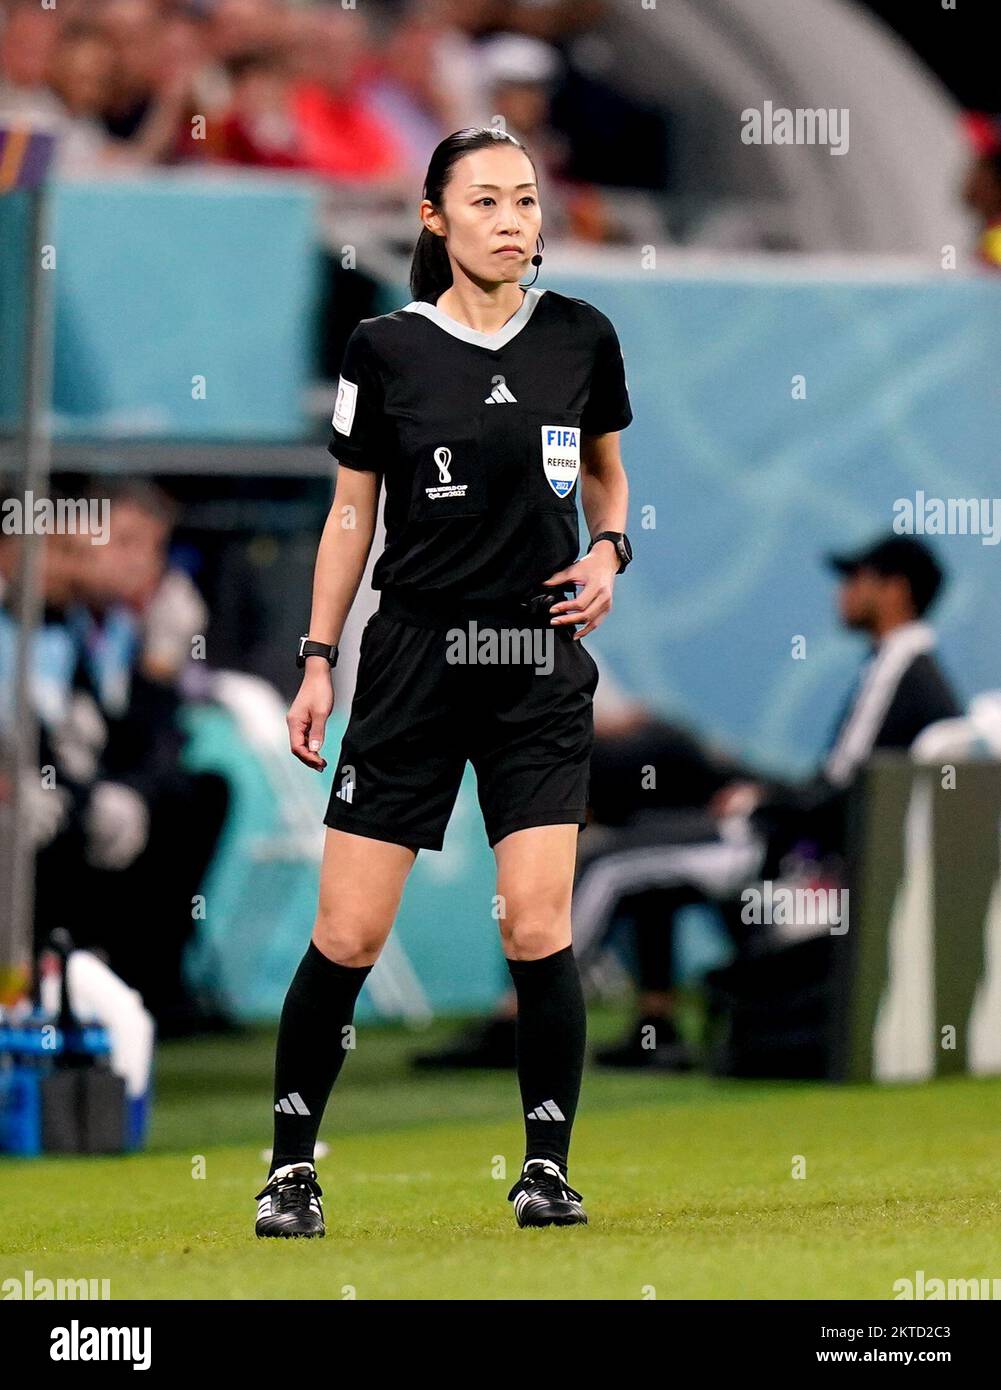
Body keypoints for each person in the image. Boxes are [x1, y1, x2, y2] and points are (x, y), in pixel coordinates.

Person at [254, 126, 633, 1238]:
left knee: (535, 922)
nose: (513, 220)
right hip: (416, 657)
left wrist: (609, 553)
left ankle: (546, 1166)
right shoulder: (384, 348)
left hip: (536, 659)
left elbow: (608, 481)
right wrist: (319, 658)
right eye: (486, 202)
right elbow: (347, 515)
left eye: (525, 200)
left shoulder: (580, 338)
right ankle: (289, 1168)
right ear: (434, 218)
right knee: (349, 934)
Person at [571, 533, 962, 1068]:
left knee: (608, 861)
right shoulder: (910, 668)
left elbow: (840, 789)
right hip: (801, 842)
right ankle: (656, 1024)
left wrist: (760, 801)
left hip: (794, 855)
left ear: (894, 590)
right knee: (649, 827)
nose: (841, 593)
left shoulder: (900, 665)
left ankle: (526, 1021)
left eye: (855, 578)